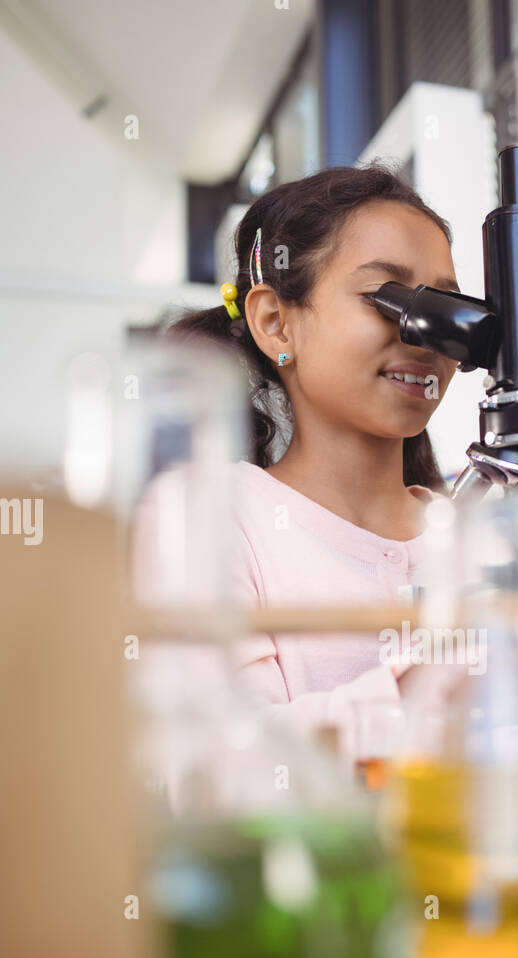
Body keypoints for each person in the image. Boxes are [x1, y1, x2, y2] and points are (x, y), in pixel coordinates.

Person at [133, 162, 460, 755]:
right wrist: (424, 686)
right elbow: (211, 762)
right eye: (386, 298)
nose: (424, 334)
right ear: (276, 322)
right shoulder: (209, 513)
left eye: (445, 307)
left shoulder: (469, 535)